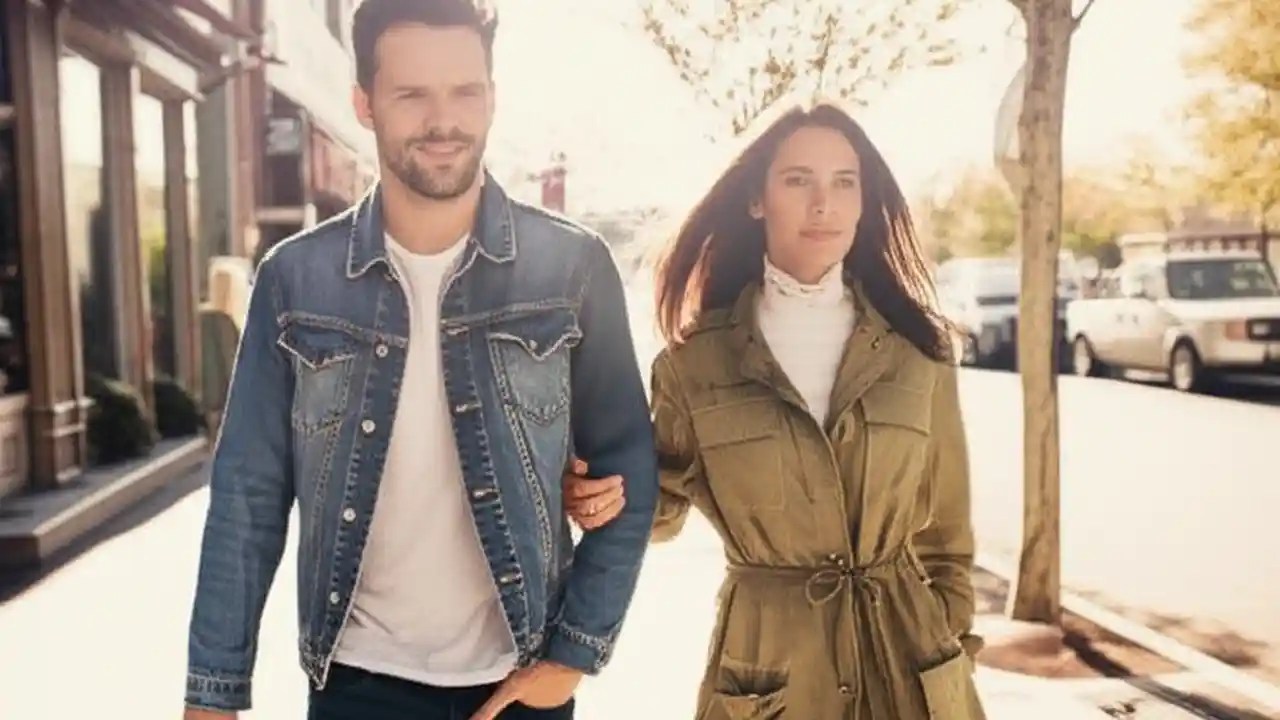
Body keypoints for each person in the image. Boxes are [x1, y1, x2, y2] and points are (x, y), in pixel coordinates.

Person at [183, 1, 657, 718]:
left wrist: (574, 654)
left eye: (464, 91)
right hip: (357, 687)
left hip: (518, 684)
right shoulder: (294, 281)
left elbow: (629, 469)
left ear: (491, 97)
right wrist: (212, 695)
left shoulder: (572, 268)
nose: (444, 121)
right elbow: (247, 499)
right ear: (364, 104)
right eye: (412, 94)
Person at [564, 102, 987, 719]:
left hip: (911, 671)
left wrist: (948, 642)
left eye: (845, 182)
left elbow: (948, 539)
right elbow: (656, 511)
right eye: (798, 180)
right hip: (770, 679)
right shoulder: (696, 363)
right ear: (756, 200)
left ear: (864, 202)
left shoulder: (919, 351)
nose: (824, 203)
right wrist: (590, 490)